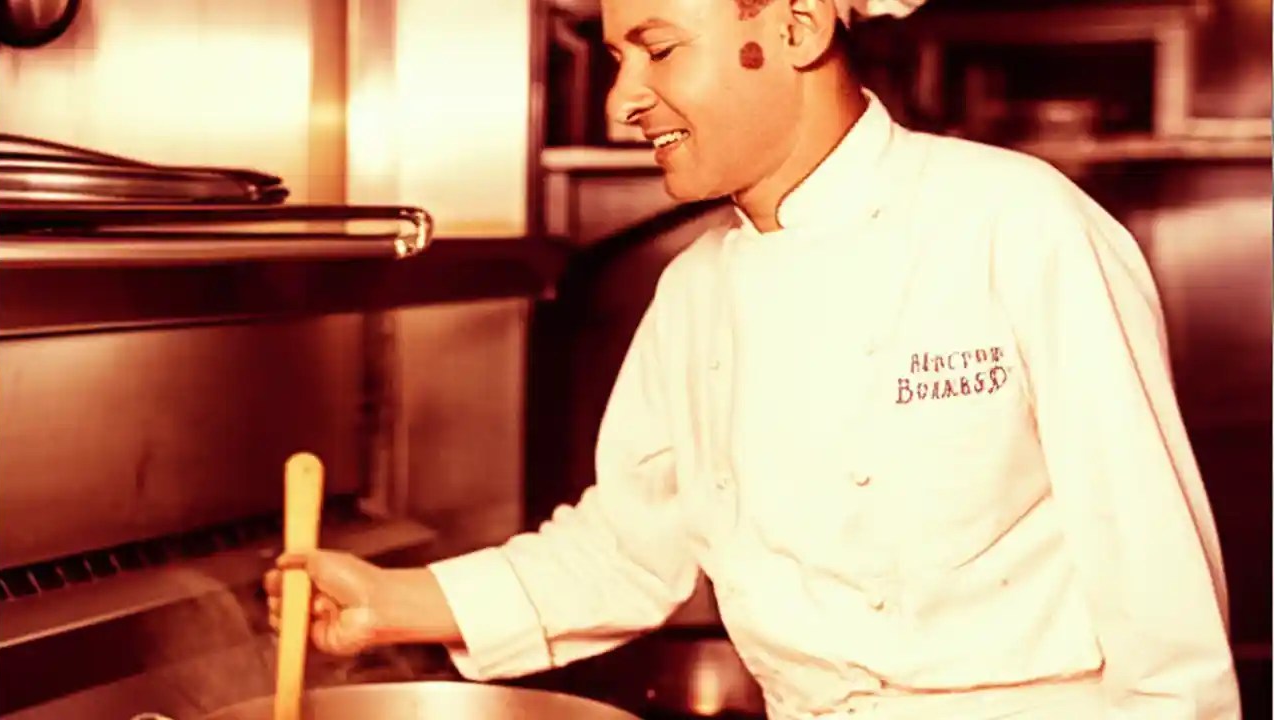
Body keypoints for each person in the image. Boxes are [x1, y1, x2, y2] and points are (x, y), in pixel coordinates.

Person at [265, 0, 1242, 717]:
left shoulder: (1017, 227)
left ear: (795, 26)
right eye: (613, 58)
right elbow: (626, 548)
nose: (622, 102)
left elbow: (1156, 585)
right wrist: (396, 604)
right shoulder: (695, 290)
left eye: (655, 49)